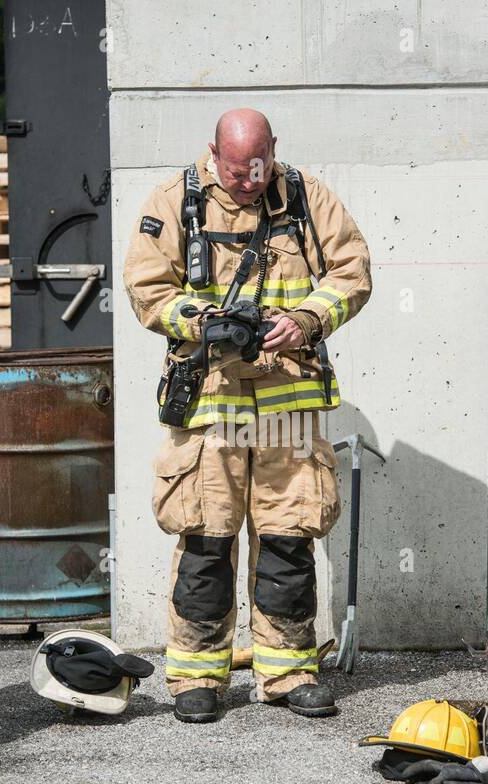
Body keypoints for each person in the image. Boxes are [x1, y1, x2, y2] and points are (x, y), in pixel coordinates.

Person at [123, 108, 371, 723]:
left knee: (288, 538)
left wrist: (308, 318)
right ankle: (196, 677)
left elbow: (352, 271)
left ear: (274, 152)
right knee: (206, 536)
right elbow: (147, 288)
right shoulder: (174, 200)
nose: (248, 182)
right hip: (212, 402)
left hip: (287, 401)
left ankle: (287, 671)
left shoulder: (308, 199)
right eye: (236, 172)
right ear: (214, 153)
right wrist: (202, 323)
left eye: (259, 170)